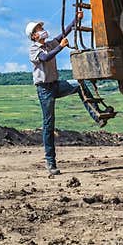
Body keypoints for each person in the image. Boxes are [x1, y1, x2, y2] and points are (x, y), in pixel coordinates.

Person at [26, 10, 90, 175]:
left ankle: (96, 114)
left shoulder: (49, 43)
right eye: (39, 29)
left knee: (79, 84)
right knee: (49, 124)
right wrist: (61, 47)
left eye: (41, 27)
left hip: (55, 85)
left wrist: (76, 19)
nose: (42, 30)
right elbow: (46, 58)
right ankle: (50, 162)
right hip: (44, 90)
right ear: (34, 36)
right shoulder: (34, 49)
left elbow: (64, 33)